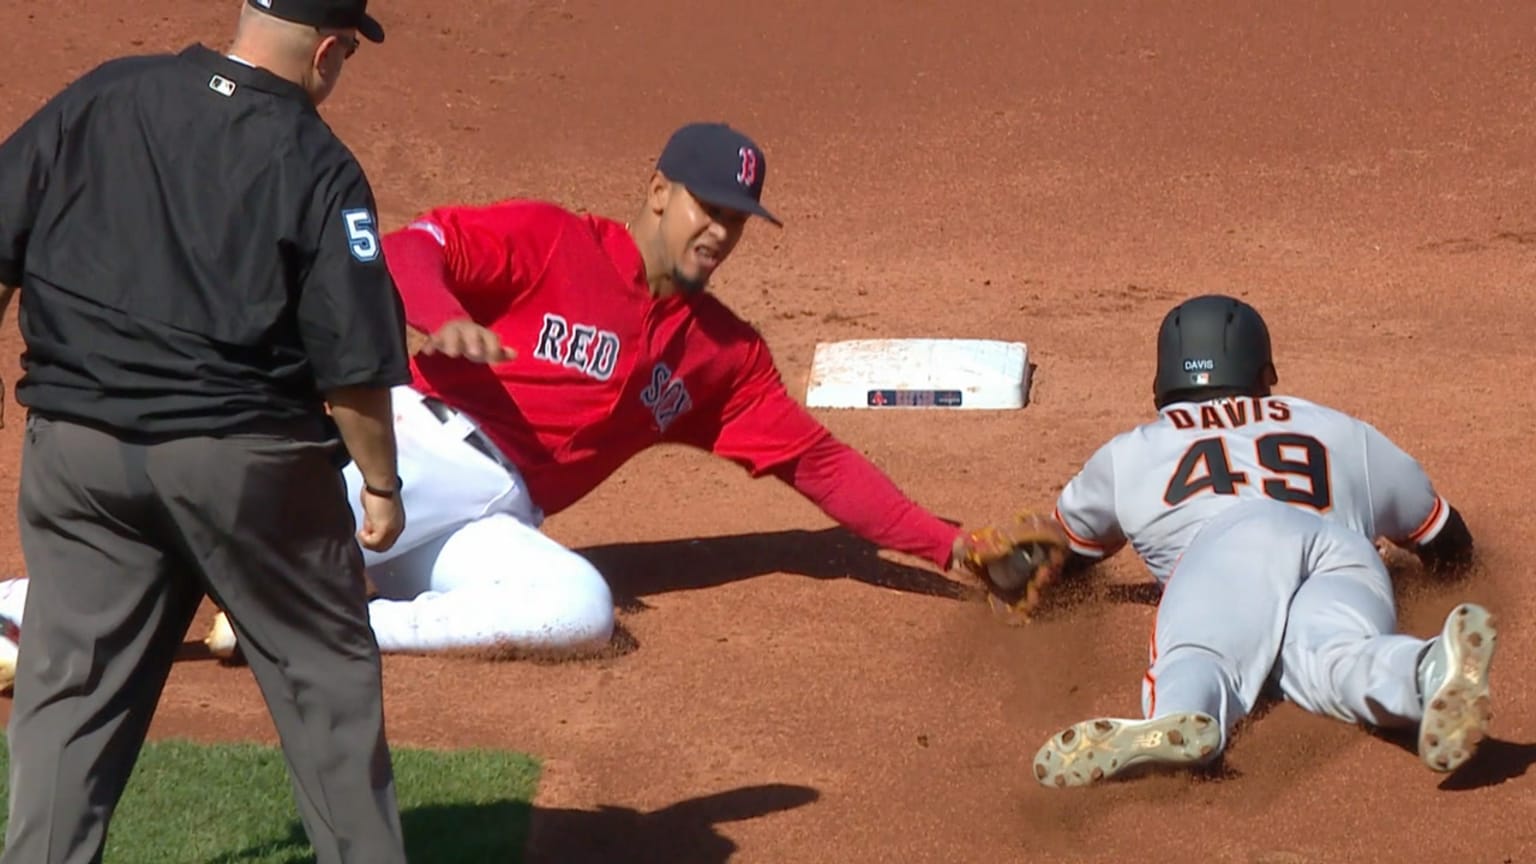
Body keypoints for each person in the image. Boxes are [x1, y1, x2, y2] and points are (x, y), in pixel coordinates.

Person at [178, 121, 994, 660]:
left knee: (580, 609)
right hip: (414, 448)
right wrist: (444, 315)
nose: (719, 231)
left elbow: (819, 463)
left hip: (493, 515)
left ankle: (334, 625)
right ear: (658, 192)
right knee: (184, 564)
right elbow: (409, 246)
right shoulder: (555, 241)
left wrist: (951, 545)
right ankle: (64, 611)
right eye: (709, 207)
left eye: (737, 220)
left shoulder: (724, 356)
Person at [0, 1, 413, 861]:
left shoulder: (104, 95)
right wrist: (380, 486)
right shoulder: (319, 164)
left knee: (66, 711)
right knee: (325, 687)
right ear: (330, 49)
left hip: (79, 456)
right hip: (249, 470)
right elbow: (353, 376)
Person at [1024, 294, 1496, 789]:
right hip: (1342, 553)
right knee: (1335, 660)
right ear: (1264, 375)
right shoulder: (1340, 430)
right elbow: (1447, 541)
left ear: (1161, 385)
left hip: (1232, 545)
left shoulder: (1130, 454)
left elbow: (1063, 559)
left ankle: (1177, 716)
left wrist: (1019, 573)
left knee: (1201, 648)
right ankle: (1424, 672)